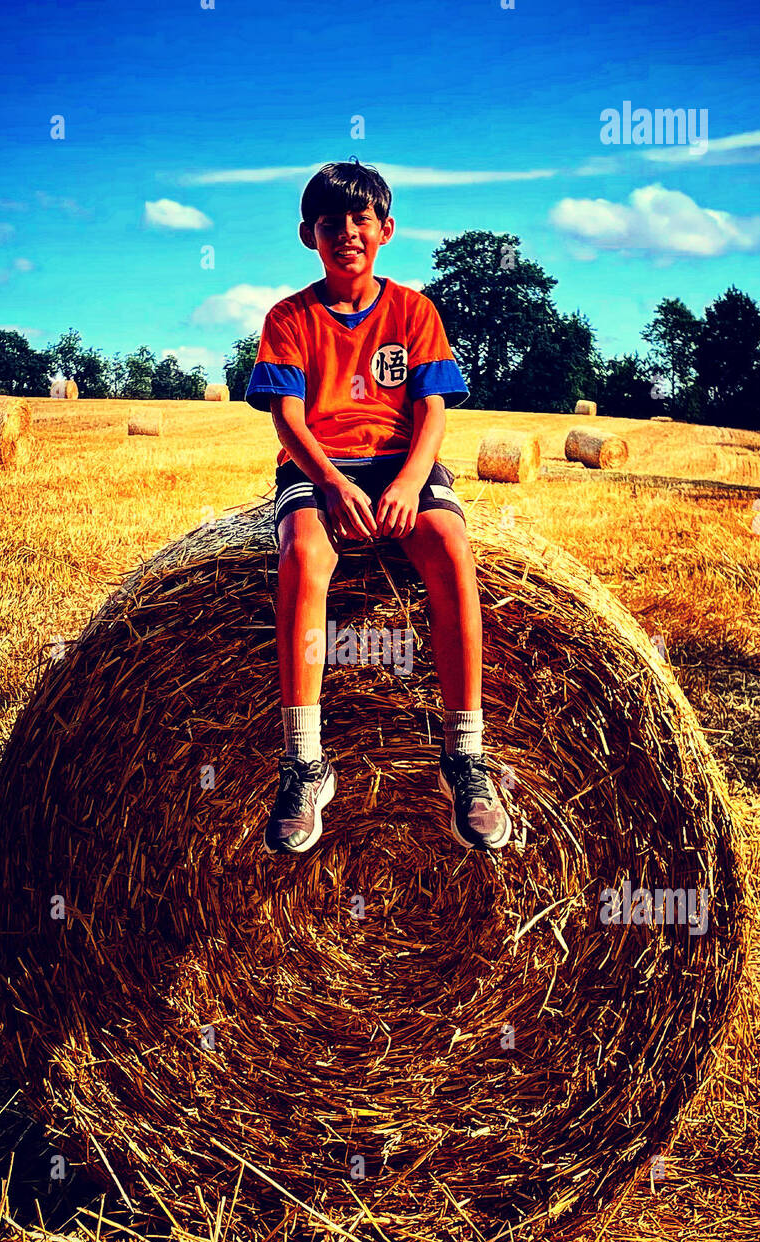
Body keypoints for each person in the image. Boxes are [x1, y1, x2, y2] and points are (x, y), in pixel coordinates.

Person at [246, 159, 512, 856]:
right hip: (321, 466)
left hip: (402, 464)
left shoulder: (414, 312)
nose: (347, 233)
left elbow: (432, 415)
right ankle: (305, 763)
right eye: (331, 223)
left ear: (386, 229)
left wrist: (405, 483)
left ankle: (465, 758)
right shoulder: (289, 318)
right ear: (309, 235)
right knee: (304, 554)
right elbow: (289, 422)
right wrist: (333, 485)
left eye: (361, 220)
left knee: (452, 548)